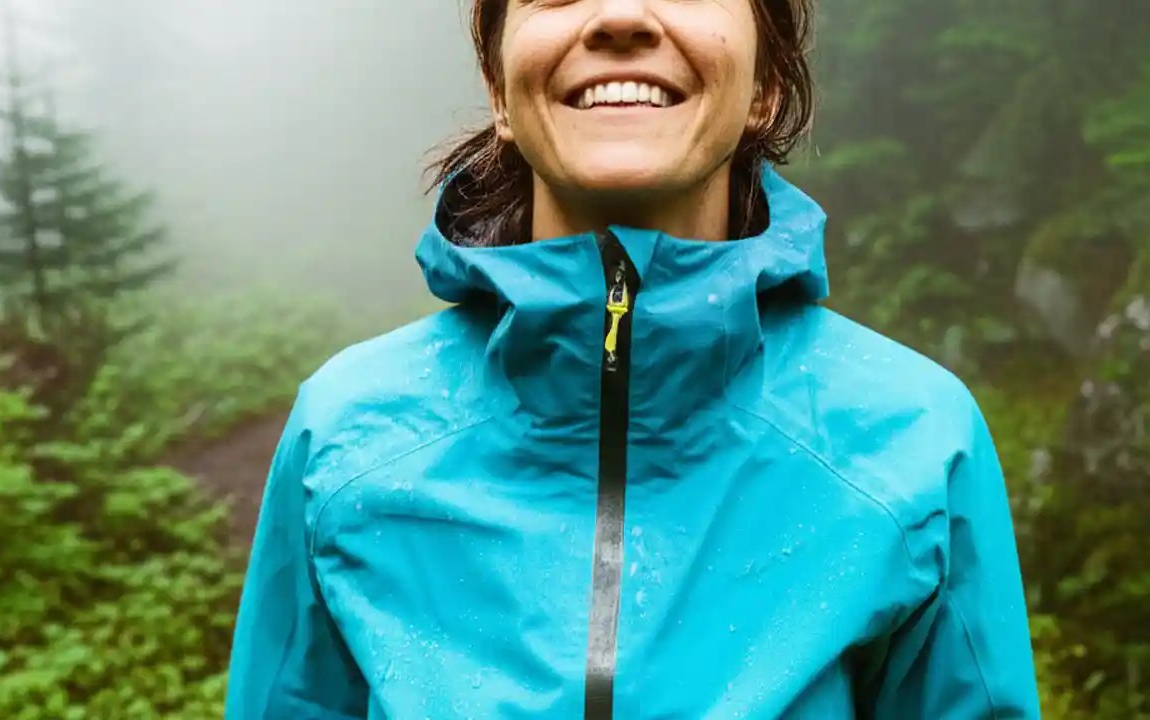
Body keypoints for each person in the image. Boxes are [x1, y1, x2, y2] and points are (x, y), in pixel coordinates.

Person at [223, 0, 1042, 717]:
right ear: (499, 87)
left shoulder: (914, 440)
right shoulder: (345, 436)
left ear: (765, 86)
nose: (619, 15)